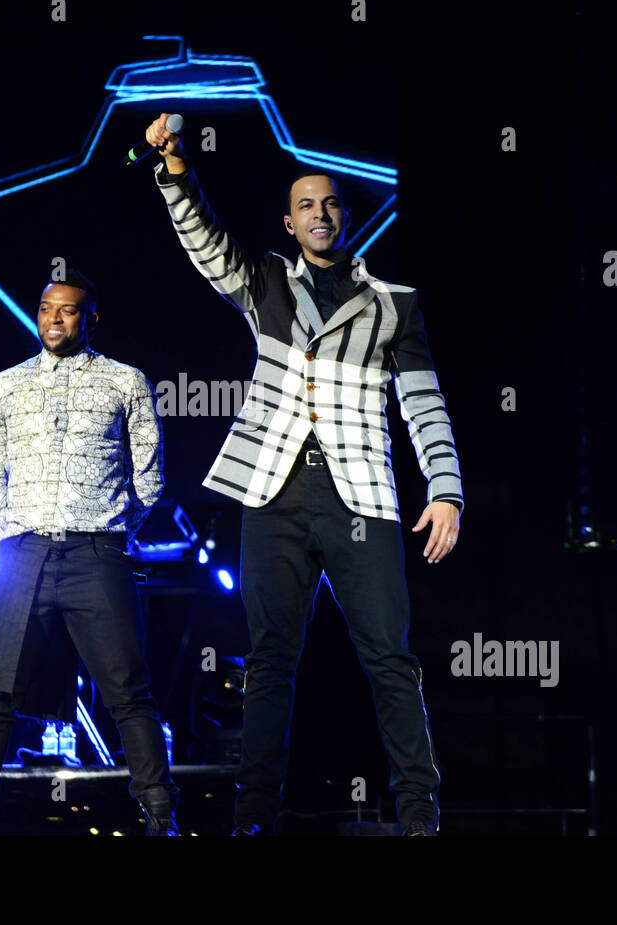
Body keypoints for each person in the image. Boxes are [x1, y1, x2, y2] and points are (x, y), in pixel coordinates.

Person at [144, 113, 463, 836]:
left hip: (362, 494)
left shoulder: (393, 304)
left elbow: (424, 403)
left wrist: (445, 489)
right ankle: (255, 818)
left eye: (331, 204)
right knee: (270, 659)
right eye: (306, 206)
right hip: (275, 491)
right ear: (289, 224)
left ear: (346, 217)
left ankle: (420, 816)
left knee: (389, 657)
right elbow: (206, 243)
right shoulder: (265, 284)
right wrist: (175, 171)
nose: (320, 214)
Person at [0, 269, 179, 835]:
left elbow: (148, 474)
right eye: (47, 308)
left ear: (89, 318)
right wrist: (9, 533)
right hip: (20, 553)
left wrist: (113, 529)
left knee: (129, 691)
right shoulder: (1, 386)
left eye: (68, 310)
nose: (55, 319)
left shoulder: (126, 382)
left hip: (96, 553)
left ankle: (161, 815)